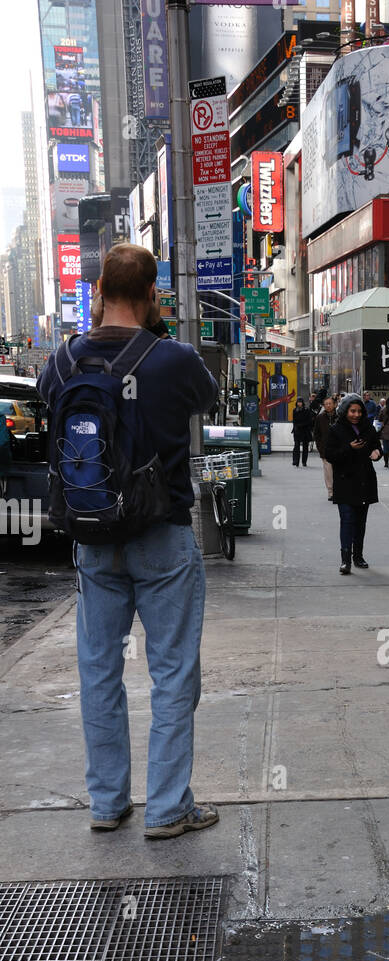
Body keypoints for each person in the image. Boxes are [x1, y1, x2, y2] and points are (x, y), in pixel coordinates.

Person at [37, 242, 219, 839]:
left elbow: (48, 405)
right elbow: (207, 396)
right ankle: (167, 808)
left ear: (96, 295)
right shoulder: (173, 358)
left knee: (98, 669)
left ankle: (107, 803)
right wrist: (157, 331)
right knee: (172, 673)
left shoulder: (63, 361)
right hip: (161, 535)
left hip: (92, 537)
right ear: (151, 296)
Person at [324, 393, 382, 574]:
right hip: (345, 482)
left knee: (360, 522)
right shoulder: (336, 430)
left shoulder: (368, 429)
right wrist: (349, 448)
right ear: (345, 411)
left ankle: (358, 556)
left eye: (359, 411)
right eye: (352, 411)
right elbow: (330, 455)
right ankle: (345, 559)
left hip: (365, 481)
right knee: (347, 520)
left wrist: (377, 453)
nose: (356, 415)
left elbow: (376, 446)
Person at [313, 396, 337, 498]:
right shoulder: (320, 417)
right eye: (326, 404)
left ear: (335, 404)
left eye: (330, 403)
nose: (328, 405)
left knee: (338, 470)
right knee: (328, 471)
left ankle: (339, 490)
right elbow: (316, 434)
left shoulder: (340, 416)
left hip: (339, 448)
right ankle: (331, 492)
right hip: (326, 449)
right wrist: (320, 447)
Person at [291, 397, 312, 466]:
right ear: (296, 403)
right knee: (296, 446)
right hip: (297, 430)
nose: (299, 403)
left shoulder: (307, 410)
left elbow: (309, 421)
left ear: (303, 403)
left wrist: (301, 425)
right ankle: (296, 461)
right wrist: (296, 427)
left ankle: (304, 461)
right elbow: (294, 421)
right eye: (298, 402)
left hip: (305, 430)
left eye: (300, 402)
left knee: (305, 447)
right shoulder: (295, 410)